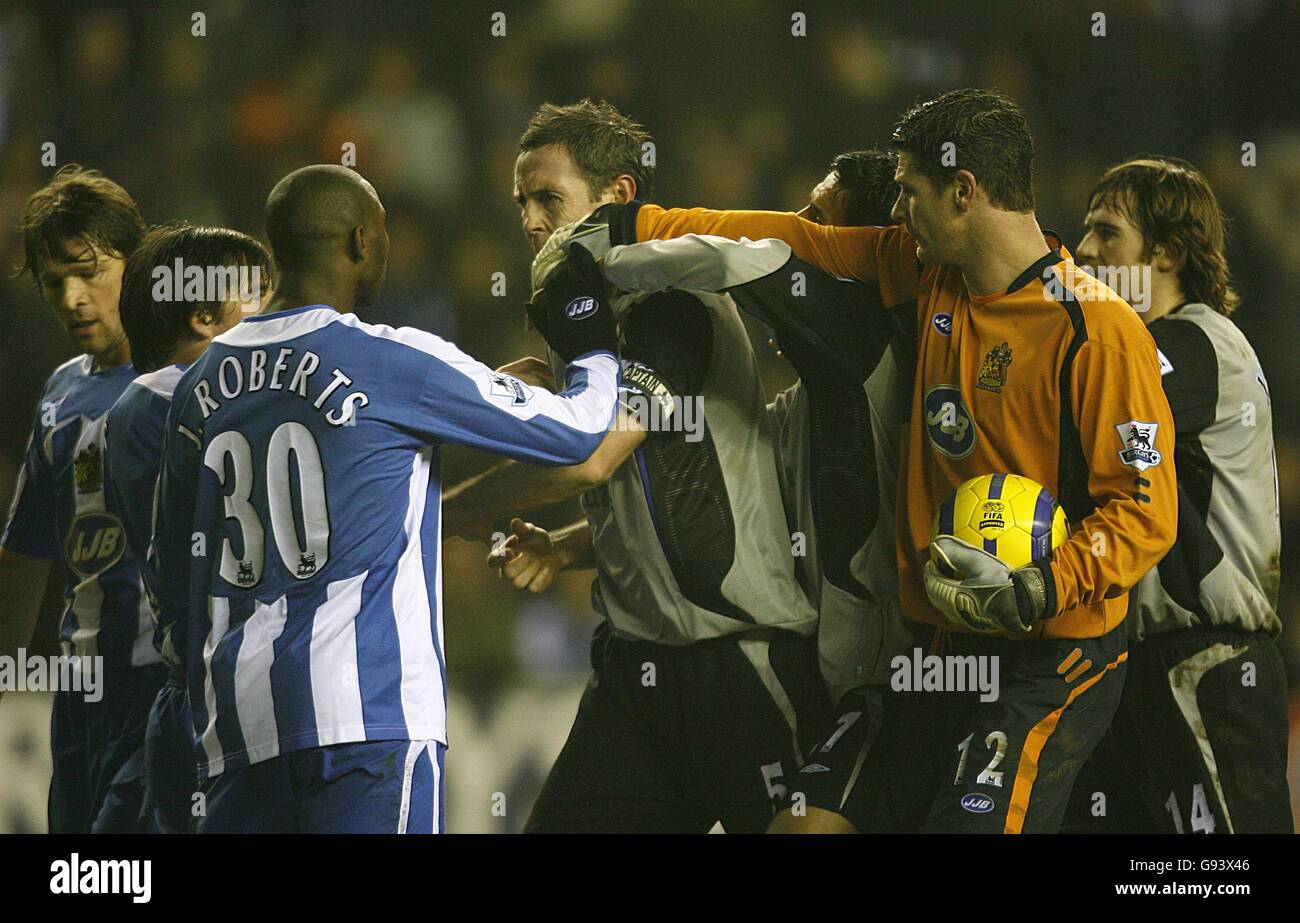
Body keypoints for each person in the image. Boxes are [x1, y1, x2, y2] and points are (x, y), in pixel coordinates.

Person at [599, 89, 1179, 833]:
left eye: (908, 191)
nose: (896, 211)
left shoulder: (1096, 329)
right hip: (941, 643)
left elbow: (1143, 509)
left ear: (963, 191)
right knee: (804, 827)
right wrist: (633, 227)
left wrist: (1038, 584)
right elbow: (777, 242)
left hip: (1052, 653)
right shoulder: (920, 272)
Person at [152, 164, 620, 833]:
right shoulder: (386, 359)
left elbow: (171, 582)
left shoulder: (195, 389)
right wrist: (595, 340)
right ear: (359, 242)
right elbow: (580, 430)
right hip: (365, 721)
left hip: (239, 737)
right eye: (384, 233)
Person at [444, 99, 829, 833]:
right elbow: (656, 492)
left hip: (738, 663)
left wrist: (451, 509)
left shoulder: (671, 304)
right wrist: (566, 548)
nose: (528, 220)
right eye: (521, 201)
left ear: (619, 196)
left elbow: (595, 459)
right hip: (637, 675)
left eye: (547, 198)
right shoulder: (584, 327)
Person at [1066, 156, 1290, 833]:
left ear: (1165, 252)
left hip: (1208, 662)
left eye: (1108, 233)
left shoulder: (1192, 343)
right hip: (1143, 666)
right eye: (1085, 230)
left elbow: (1085, 419)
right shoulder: (1142, 344)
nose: (1084, 250)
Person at [0, 165, 162, 832]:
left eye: (88, 270)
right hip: (78, 692)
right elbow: (28, 550)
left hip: (164, 689)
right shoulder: (60, 394)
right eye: (53, 280)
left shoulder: (191, 382)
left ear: (135, 262)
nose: (72, 297)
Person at [104, 223, 272, 833]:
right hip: (210, 696)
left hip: (201, 691)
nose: (273, 310)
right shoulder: (162, 403)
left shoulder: (152, 406)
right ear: (204, 316)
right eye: (257, 294)